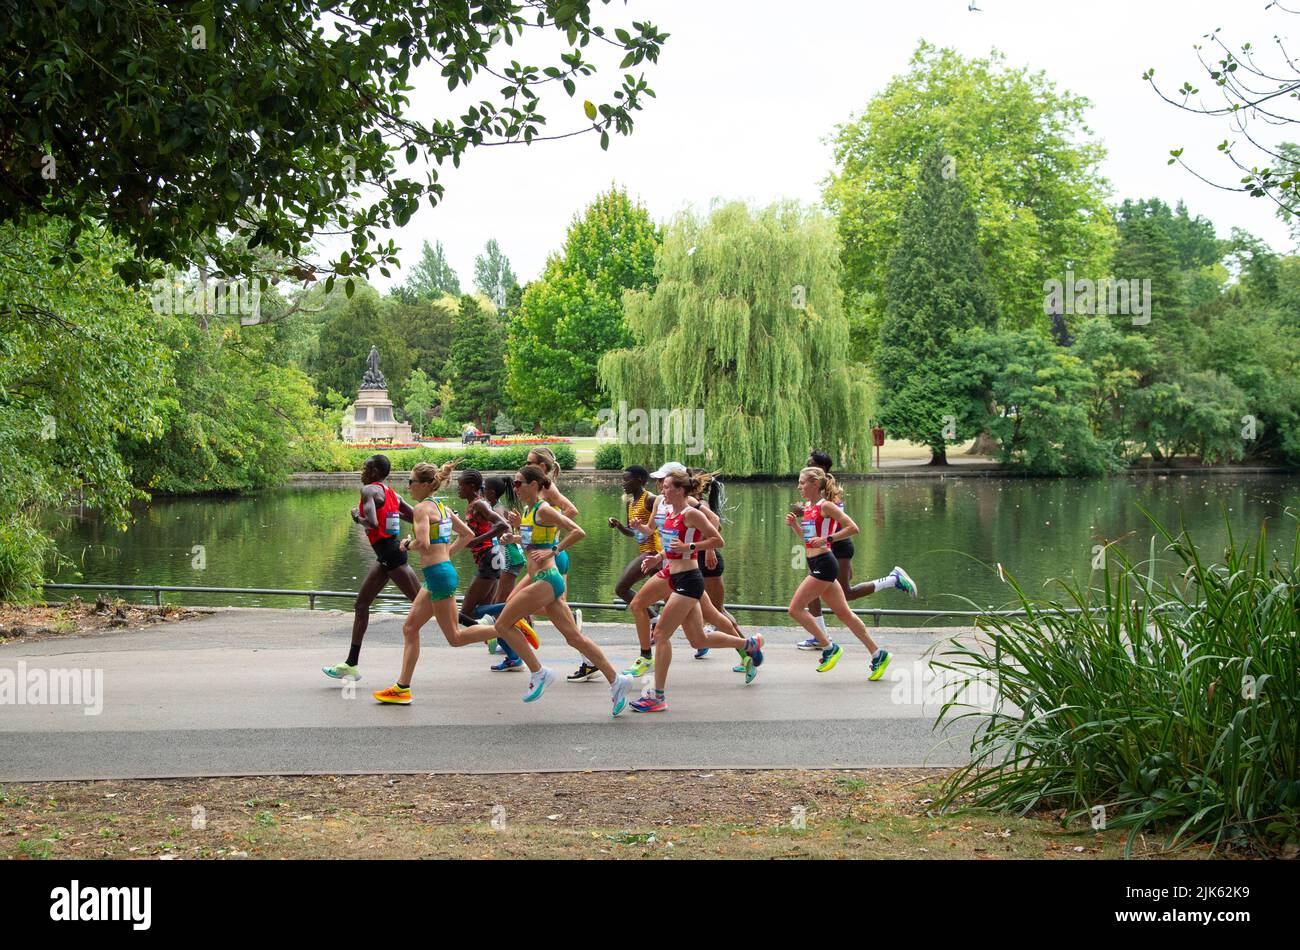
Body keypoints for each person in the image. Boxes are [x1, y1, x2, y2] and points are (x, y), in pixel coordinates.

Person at [372, 462, 540, 705]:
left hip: (438, 576)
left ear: (425, 485)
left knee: (455, 637)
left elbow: (423, 543)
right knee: (410, 628)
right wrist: (447, 554)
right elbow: (467, 536)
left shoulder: (421, 509)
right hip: (438, 574)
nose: (408, 486)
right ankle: (402, 688)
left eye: (411, 482)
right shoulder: (442, 507)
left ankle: (508, 625)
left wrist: (406, 544)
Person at [484, 464, 634, 714]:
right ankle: (618, 681)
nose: (516, 488)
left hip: (547, 578)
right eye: (514, 483)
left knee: (502, 624)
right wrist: (515, 537)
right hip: (543, 578)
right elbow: (536, 540)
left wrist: (554, 550)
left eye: (520, 483)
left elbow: (578, 531)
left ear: (534, 485)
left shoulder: (544, 509)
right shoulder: (529, 511)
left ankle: (539, 672)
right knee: (574, 638)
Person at [629, 469, 764, 713]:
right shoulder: (669, 511)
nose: (662, 490)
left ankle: (657, 696)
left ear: (680, 490)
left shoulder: (692, 513)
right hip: (668, 573)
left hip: (688, 579)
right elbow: (670, 543)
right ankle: (747, 644)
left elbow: (717, 540)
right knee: (697, 639)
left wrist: (691, 546)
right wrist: (656, 554)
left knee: (661, 634)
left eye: (667, 486)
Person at [795, 450, 918, 650]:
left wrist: (824, 536)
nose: (806, 467)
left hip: (836, 548)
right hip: (822, 550)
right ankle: (822, 636)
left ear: (820, 472)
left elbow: (844, 524)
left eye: (810, 464)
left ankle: (893, 580)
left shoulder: (827, 497)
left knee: (843, 593)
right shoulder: (813, 496)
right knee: (823, 595)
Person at [786, 466, 894, 680]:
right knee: (845, 614)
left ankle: (828, 647)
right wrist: (794, 527)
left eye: (803, 482)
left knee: (795, 609)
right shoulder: (809, 507)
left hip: (825, 563)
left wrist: (828, 540)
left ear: (815, 484)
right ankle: (878, 654)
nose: (799, 487)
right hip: (817, 560)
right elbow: (808, 542)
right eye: (799, 483)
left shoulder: (827, 506)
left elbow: (853, 527)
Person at [322, 454, 421, 682]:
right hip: (387, 555)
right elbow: (414, 516)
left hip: (391, 555)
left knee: (426, 603)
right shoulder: (391, 494)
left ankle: (485, 629)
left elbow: (374, 523)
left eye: (365, 468)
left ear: (375, 471)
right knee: (361, 604)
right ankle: (351, 664)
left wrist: (357, 518)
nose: (362, 471)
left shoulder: (368, 491)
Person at [586, 465, 661, 683]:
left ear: (639, 480)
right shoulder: (630, 502)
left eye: (627, 480)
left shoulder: (651, 499)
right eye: (623, 479)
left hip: (654, 553)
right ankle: (660, 622)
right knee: (679, 603)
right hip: (647, 553)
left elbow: (653, 528)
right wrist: (619, 526)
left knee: (621, 588)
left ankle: (654, 622)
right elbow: (634, 532)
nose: (623, 483)